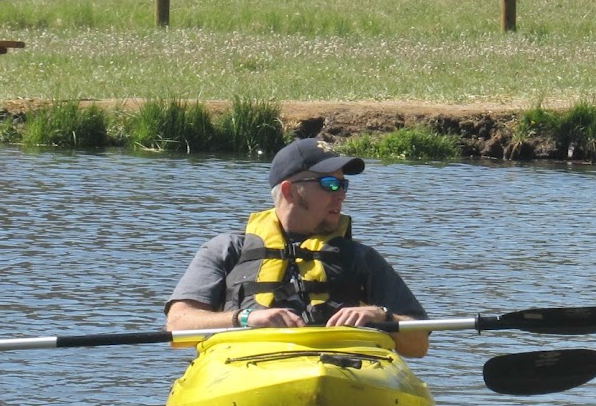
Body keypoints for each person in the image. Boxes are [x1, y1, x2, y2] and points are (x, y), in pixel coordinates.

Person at [165, 137, 430, 358]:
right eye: (329, 184)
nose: (341, 194)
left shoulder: (362, 258)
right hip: (245, 363)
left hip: (342, 368)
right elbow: (177, 325)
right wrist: (244, 319)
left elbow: (419, 345)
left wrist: (380, 314)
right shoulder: (226, 249)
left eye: (343, 184)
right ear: (290, 191)